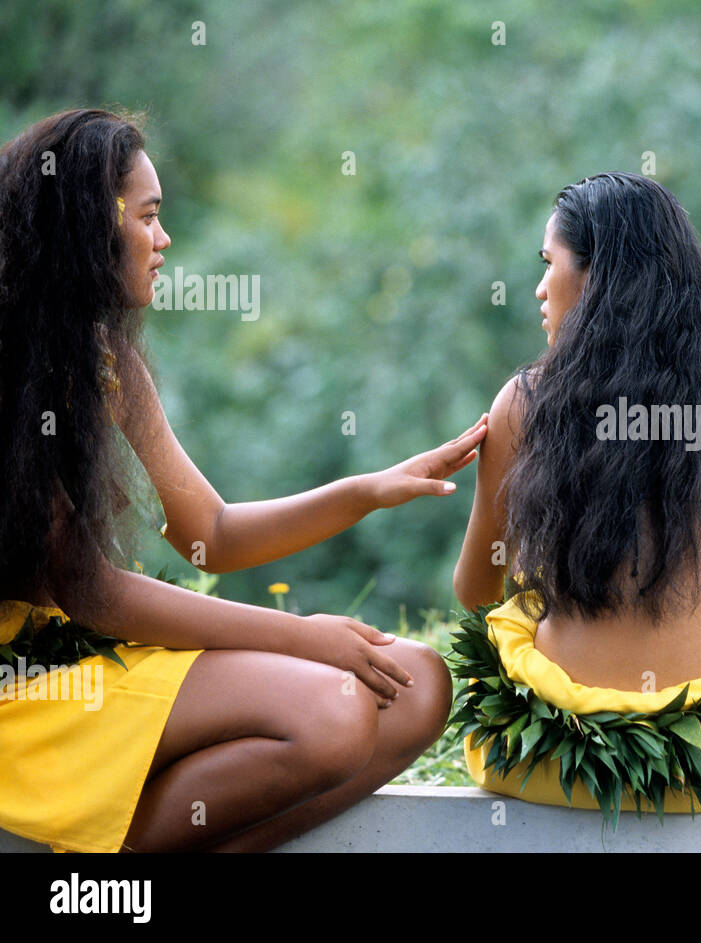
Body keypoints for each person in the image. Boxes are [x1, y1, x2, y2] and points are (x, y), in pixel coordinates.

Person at [0, 108, 487, 852]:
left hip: (85, 657)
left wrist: (369, 488)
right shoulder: (22, 372)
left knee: (418, 684)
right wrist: (304, 637)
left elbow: (211, 534)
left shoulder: (108, 359)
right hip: (29, 688)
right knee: (331, 712)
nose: (164, 241)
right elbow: (91, 590)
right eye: (149, 217)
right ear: (88, 227)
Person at [452, 172, 701, 816]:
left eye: (548, 264)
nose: (538, 288)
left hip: (548, 762)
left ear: (594, 278)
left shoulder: (525, 404)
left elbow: (477, 589)